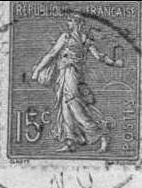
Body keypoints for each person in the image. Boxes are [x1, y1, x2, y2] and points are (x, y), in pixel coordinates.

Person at [31, 13, 125, 153]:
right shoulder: (67, 37)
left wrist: (115, 63)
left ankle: (101, 133)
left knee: (75, 105)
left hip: (72, 75)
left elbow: (98, 57)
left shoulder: (82, 40)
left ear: (77, 23)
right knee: (65, 108)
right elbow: (52, 54)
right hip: (63, 75)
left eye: (71, 21)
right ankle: (71, 141)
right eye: (69, 21)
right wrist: (38, 69)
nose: (69, 24)